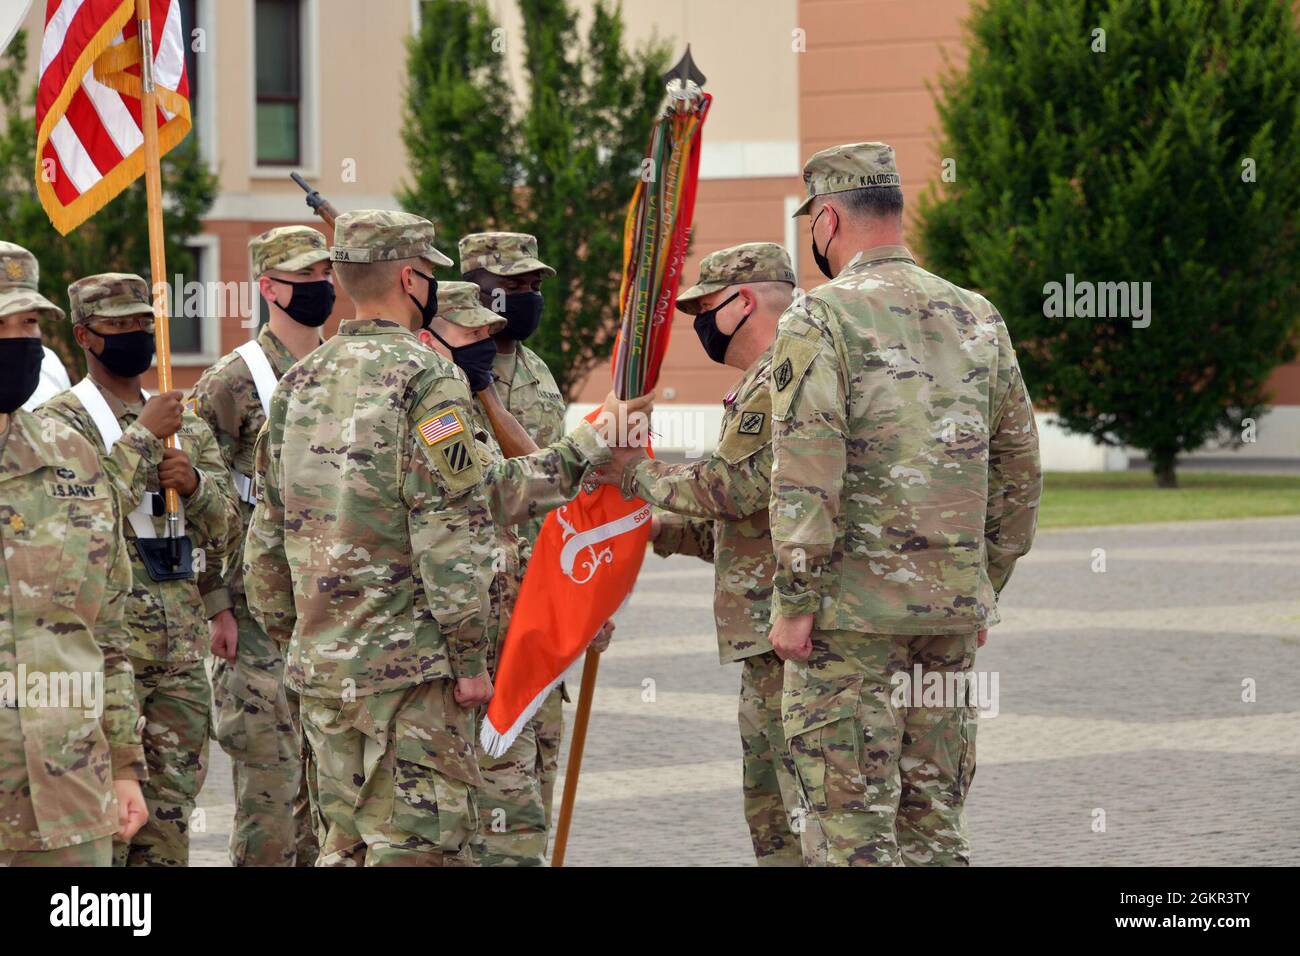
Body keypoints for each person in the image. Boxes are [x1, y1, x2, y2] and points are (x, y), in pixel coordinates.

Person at [243, 211, 647, 866]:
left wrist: (301, 638)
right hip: (410, 677)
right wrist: (467, 664)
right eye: (430, 272)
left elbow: (265, 537)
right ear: (411, 278)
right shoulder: (426, 383)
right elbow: (462, 521)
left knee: (343, 845)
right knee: (417, 847)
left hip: (324, 671)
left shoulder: (299, 383)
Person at [767, 142, 1042, 866]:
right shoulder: (978, 314)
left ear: (827, 219)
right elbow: (1019, 468)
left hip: (849, 626)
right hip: (948, 617)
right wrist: (981, 583)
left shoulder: (817, 318)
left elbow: (807, 468)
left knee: (852, 831)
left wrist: (794, 598)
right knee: (933, 830)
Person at [597, 242, 810, 865]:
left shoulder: (779, 379)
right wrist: (658, 528)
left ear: (743, 303)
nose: (698, 325)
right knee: (774, 814)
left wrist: (633, 473)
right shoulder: (764, 380)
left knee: (794, 816)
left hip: (790, 640)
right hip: (771, 636)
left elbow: (731, 487)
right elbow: (749, 524)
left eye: (705, 308)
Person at [39, 273, 240, 867]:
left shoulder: (188, 422)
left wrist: (196, 486)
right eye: (117, 326)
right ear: (85, 336)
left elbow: (228, 530)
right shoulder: (60, 424)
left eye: (140, 324)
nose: (132, 335)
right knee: (103, 819)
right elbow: (78, 521)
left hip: (178, 652)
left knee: (170, 817)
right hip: (105, 652)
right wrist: (141, 442)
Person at [0, 242, 148, 867]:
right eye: (2, 325)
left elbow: (106, 629)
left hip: (71, 790)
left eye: (29, 324)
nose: (21, 341)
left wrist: (123, 765)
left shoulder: (71, 454)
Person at [190, 225, 332, 867]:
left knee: (330, 799)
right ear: (269, 288)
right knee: (271, 796)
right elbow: (194, 500)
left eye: (326, 277)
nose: (319, 290)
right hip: (253, 622)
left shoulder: (338, 370)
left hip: (331, 618)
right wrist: (214, 601)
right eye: (304, 280)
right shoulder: (232, 380)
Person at [459, 231, 575, 849]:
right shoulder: (444, 369)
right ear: (477, 290)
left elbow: (559, 494)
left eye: (535, 286)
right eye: (515, 287)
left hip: (542, 610)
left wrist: (587, 600)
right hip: (481, 610)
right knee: (498, 801)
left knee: (540, 770)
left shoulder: (536, 370)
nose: (529, 297)